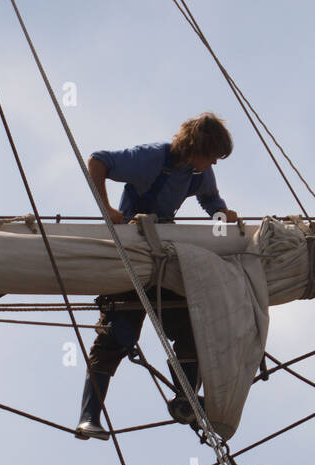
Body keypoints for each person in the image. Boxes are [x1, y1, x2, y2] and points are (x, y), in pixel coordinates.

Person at [75, 112, 240, 440]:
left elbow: (211, 201)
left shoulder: (198, 173)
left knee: (191, 326)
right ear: (196, 147)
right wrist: (106, 208)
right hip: (133, 248)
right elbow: (98, 161)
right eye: (212, 155)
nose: (214, 164)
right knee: (118, 334)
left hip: (164, 254)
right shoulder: (151, 157)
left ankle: (185, 399)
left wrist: (222, 216)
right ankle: (88, 416)